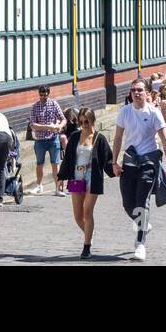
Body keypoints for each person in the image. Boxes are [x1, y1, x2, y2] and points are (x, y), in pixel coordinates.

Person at [111, 77, 166, 261]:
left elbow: (165, 140)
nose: (136, 93)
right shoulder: (124, 112)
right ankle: (143, 223)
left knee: (142, 202)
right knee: (127, 204)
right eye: (133, 90)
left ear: (147, 93)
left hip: (148, 163)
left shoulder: (154, 113)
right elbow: (117, 138)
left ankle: (140, 244)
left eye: (140, 90)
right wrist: (114, 162)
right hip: (129, 163)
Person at [58, 107, 115, 259]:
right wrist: (61, 176)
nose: (83, 124)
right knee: (78, 215)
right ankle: (89, 233)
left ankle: (86, 247)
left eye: (86, 122)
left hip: (92, 178)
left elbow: (108, 159)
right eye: (81, 122)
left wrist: (115, 169)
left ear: (93, 120)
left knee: (87, 211)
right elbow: (68, 158)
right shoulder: (75, 136)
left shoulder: (99, 138)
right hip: (76, 178)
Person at [28, 85, 67, 196]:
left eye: (45, 95)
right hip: (40, 140)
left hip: (53, 139)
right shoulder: (35, 107)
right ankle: (39, 186)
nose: (43, 97)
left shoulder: (54, 104)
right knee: (39, 164)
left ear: (48, 94)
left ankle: (57, 188)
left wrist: (59, 126)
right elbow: (32, 125)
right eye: (41, 95)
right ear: (39, 94)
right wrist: (48, 127)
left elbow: (63, 119)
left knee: (55, 164)